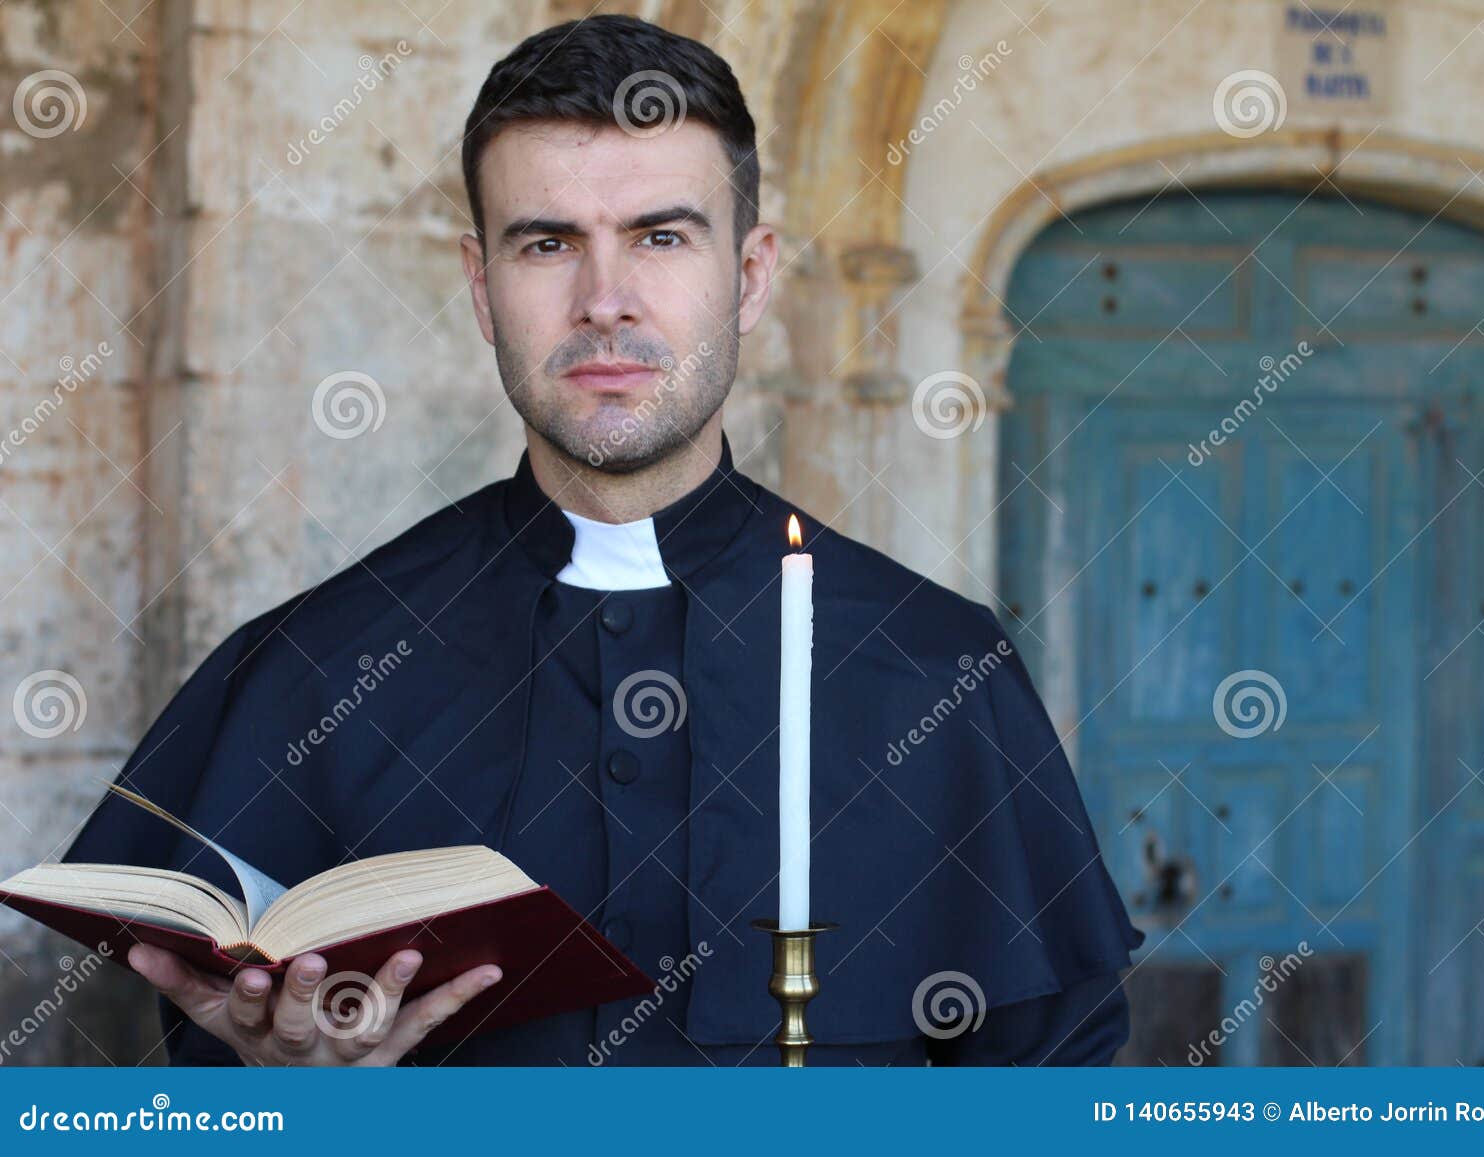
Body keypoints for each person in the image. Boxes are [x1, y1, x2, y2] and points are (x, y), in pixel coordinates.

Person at [67, 12, 1143, 1066]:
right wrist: (305, 1108)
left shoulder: (938, 668)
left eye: (661, 237)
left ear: (751, 276)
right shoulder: (314, 668)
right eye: (548, 243)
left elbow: (1052, 1088)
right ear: (482, 287)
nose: (604, 301)